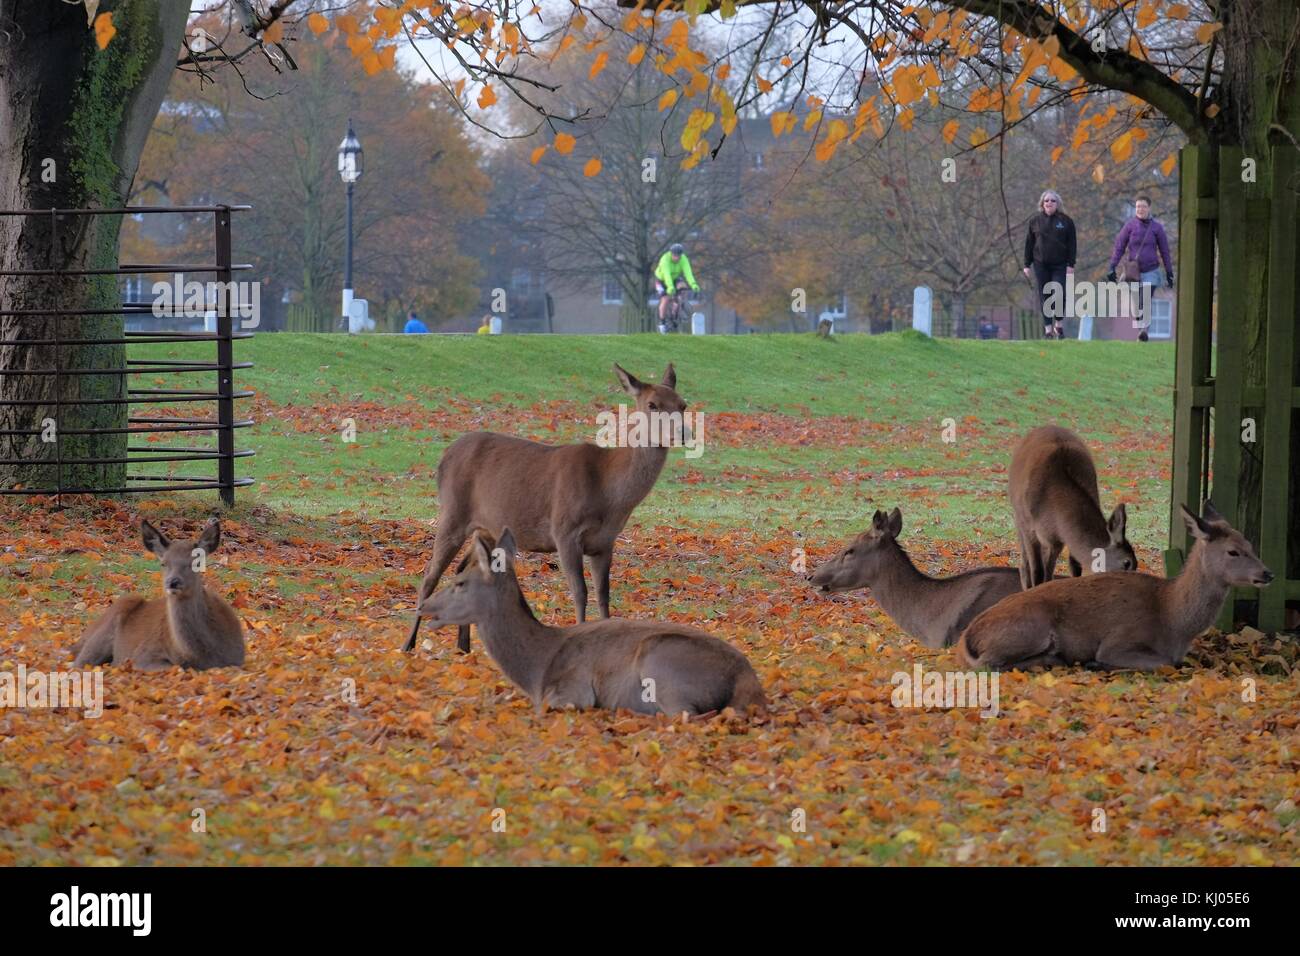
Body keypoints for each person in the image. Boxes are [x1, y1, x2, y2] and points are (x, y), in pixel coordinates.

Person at [1106, 195, 1174, 342]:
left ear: (1149, 208)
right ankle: (1141, 329)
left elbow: (1165, 251)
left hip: (1151, 271)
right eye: (1137, 207)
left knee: (1146, 299)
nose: (1140, 209)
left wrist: (1169, 272)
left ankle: (1144, 330)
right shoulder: (1130, 226)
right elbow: (1119, 247)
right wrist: (1112, 266)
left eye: (1143, 206)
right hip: (1133, 273)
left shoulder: (1157, 228)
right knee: (1137, 303)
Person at [1022, 190, 1076, 339]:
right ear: (1042, 203)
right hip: (1041, 264)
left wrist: (1071, 264)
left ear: (1057, 203)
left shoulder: (1066, 221)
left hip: (1060, 264)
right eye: (1046, 200)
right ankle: (1048, 330)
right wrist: (1027, 265)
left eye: (1052, 200)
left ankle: (1058, 324)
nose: (1049, 203)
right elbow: (1029, 244)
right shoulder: (1034, 221)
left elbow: (1072, 244)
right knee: (1045, 296)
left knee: (1058, 294)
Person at [653, 243, 700, 330]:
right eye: (675, 255)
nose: (677, 258)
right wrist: (670, 287)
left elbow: (688, 273)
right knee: (665, 299)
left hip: (674, 278)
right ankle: (662, 322)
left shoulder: (683, 259)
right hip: (661, 280)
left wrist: (693, 284)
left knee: (682, 287)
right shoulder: (665, 260)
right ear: (671, 253)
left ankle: (677, 307)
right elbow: (666, 275)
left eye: (678, 255)